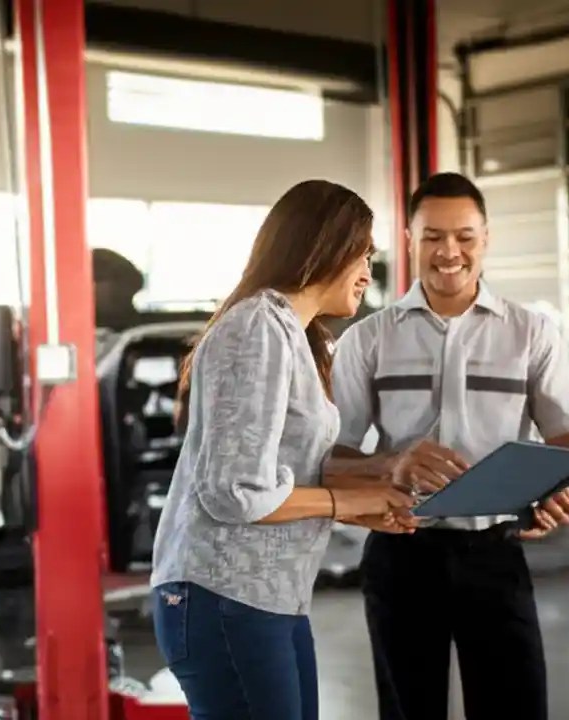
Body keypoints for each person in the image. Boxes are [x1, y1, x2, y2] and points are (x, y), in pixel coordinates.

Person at [330, 171, 569, 720]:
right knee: (409, 709)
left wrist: (552, 494)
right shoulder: (368, 338)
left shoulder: (531, 333)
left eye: (464, 236)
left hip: (495, 555)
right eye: (432, 236)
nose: (448, 251)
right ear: (410, 239)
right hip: (401, 551)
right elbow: (330, 456)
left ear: (486, 239)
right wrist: (392, 464)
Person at [149, 179, 418, 720]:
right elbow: (234, 491)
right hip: (222, 593)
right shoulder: (257, 328)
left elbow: (296, 465)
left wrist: (381, 483)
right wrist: (347, 505)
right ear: (324, 245)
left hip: (270, 596)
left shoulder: (299, 336)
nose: (368, 272)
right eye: (362, 254)